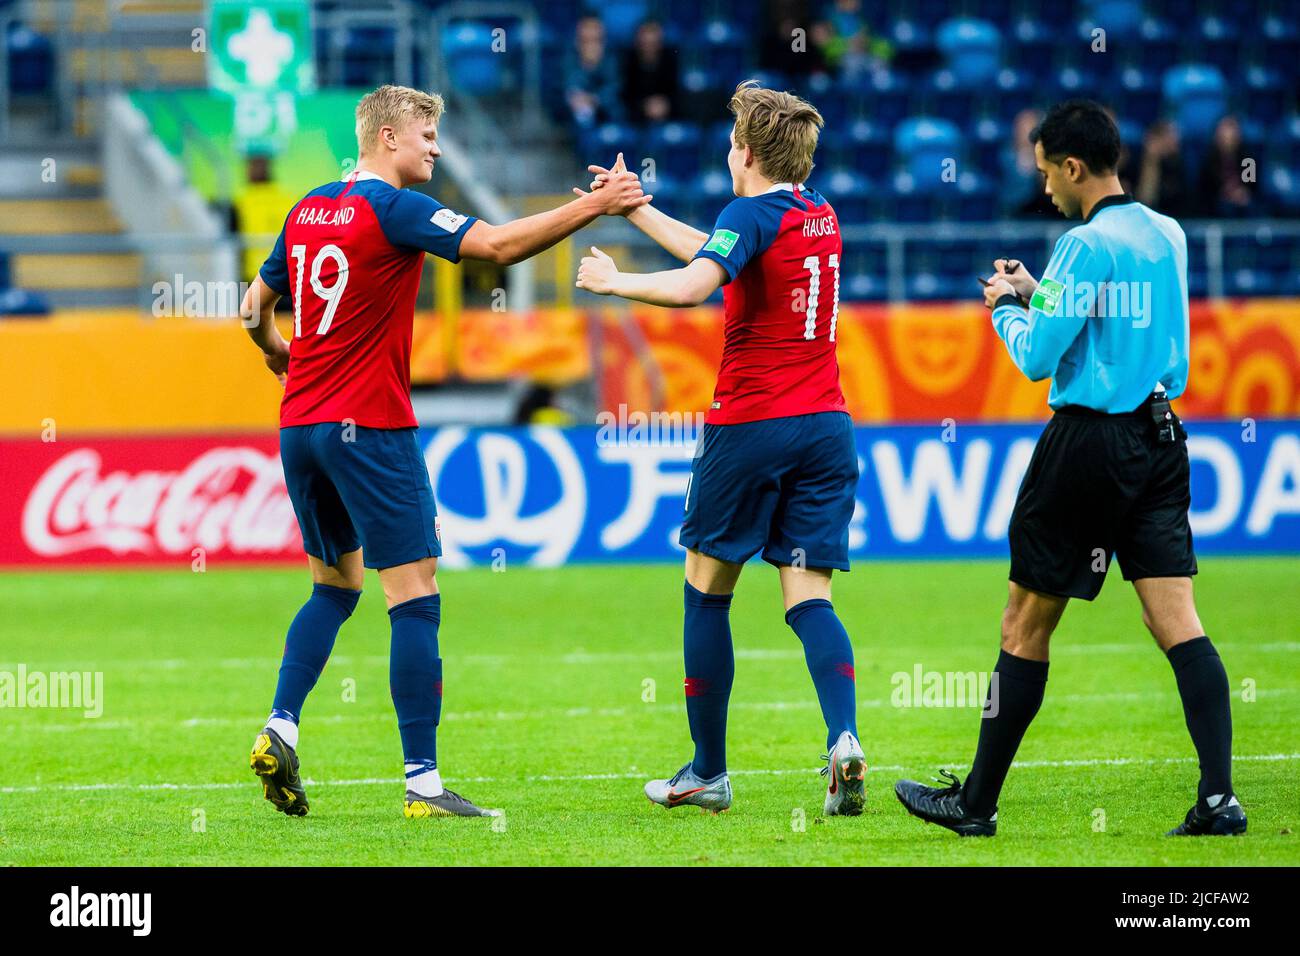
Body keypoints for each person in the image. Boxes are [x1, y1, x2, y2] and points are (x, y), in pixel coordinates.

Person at [240, 84, 648, 820]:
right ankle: (422, 784)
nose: (434, 147)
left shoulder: (306, 210)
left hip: (300, 425)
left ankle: (280, 726)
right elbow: (494, 245)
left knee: (334, 587)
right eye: (426, 134)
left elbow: (250, 307)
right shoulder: (391, 208)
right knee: (415, 595)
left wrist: (281, 356)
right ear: (387, 137)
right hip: (370, 425)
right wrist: (595, 207)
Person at [894, 100, 1245, 838]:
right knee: (1176, 619)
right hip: (1160, 437)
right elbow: (1128, 323)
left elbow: (1036, 357)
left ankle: (975, 805)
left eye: (1048, 170)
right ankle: (1219, 798)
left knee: (1024, 622)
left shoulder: (1084, 247)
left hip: (1089, 445)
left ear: (1074, 166)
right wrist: (1038, 292)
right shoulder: (1167, 233)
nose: (1046, 185)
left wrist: (1003, 307)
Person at [575, 82, 865, 816]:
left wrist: (614, 281)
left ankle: (707, 771)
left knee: (706, 591)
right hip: (827, 428)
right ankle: (844, 740)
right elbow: (724, 252)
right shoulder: (817, 213)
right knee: (809, 598)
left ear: (747, 152)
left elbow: (696, 284)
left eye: (733, 139)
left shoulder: (748, 211)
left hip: (751, 427)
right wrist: (636, 209)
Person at [564, 16, 623, 128]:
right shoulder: (568, 58)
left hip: (610, 113)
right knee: (582, 113)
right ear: (577, 41)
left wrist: (594, 99)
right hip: (575, 114)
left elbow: (614, 88)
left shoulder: (612, 59)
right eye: (585, 41)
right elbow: (571, 89)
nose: (591, 46)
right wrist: (587, 66)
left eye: (596, 40)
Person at [621, 19, 679, 124]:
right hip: (635, 118)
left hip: (668, 115)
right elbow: (625, 95)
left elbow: (676, 93)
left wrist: (665, 104)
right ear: (638, 40)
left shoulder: (671, 60)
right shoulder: (627, 61)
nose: (649, 43)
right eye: (645, 41)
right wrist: (644, 106)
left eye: (653, 42)